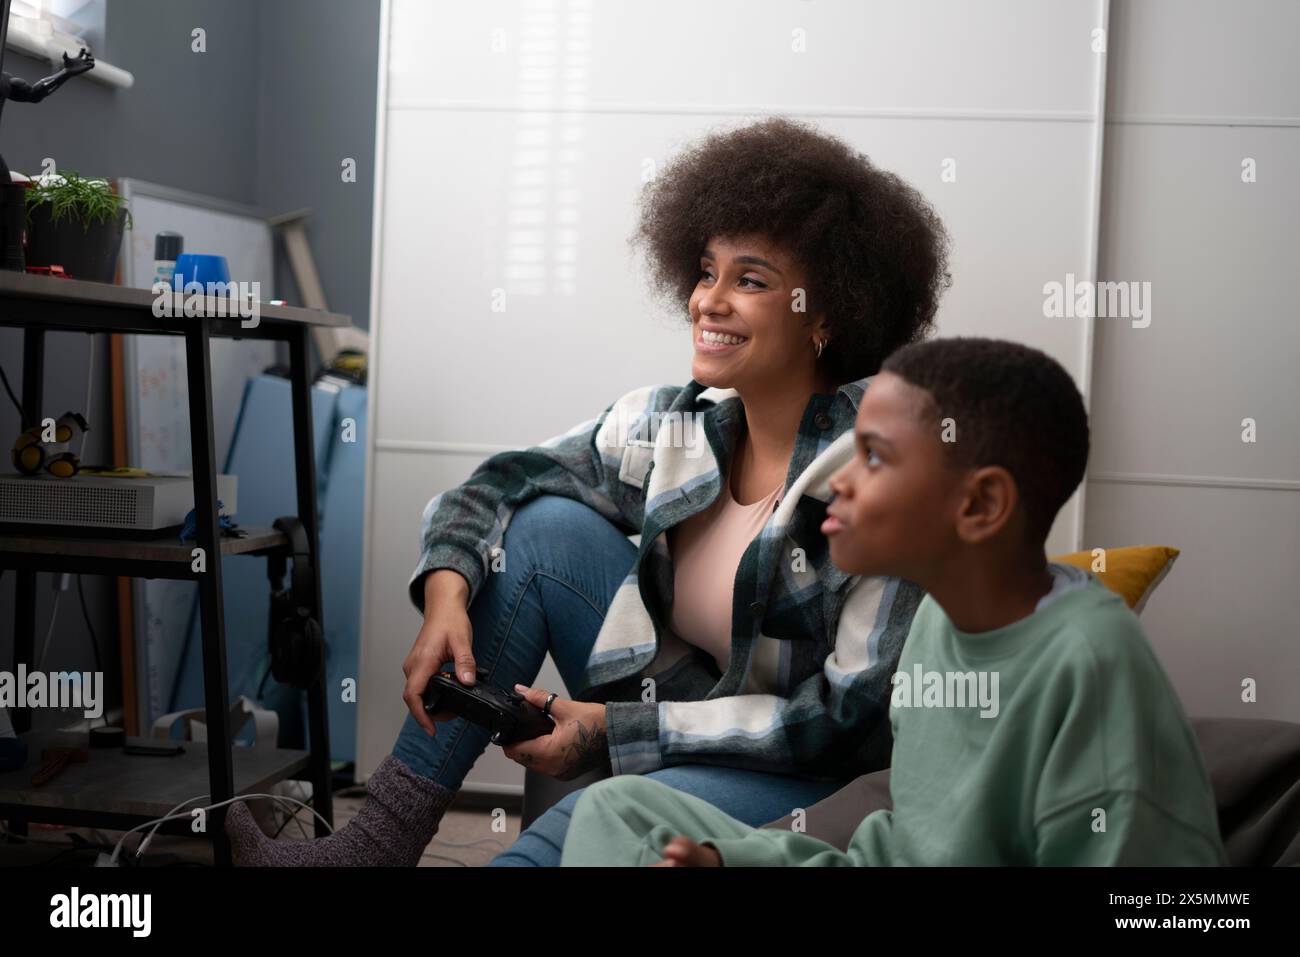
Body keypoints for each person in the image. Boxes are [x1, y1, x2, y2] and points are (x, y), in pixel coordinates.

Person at [225, 116, 952, 866]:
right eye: (706, 271)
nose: (709, 301)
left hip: (805, 771)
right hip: (684, 703)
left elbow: (841, 720)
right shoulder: (676, 425)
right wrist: (445, 593)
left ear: (828, 314)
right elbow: (503, 480)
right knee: (542, 530)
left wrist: (613, 731)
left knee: (584, 824)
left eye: (751, 280)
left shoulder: (874, 473)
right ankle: (374, 842)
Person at [561, 337, 1227, 867]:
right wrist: (728, 860)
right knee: (615, 812)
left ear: (980, 504)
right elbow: (902, 851)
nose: (838, 482)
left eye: (873, 458)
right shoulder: (937, 621)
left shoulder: (1091, 664)